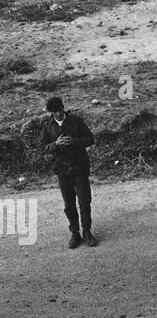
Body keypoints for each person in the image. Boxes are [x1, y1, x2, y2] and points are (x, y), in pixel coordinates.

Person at [40, 96, 96, 248]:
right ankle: (75, 234)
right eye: (53, 112)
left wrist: (74, 141)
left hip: (79, 168)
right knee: (69, 205)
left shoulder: (76, 121)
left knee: (84, 202)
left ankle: (87, 232)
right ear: (50, 113)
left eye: (58, 111)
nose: (56, 114)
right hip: (62, 171)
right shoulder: (47, 126)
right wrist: (55, 144)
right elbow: (43, 147)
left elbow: (90, 139)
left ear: (63, 108)